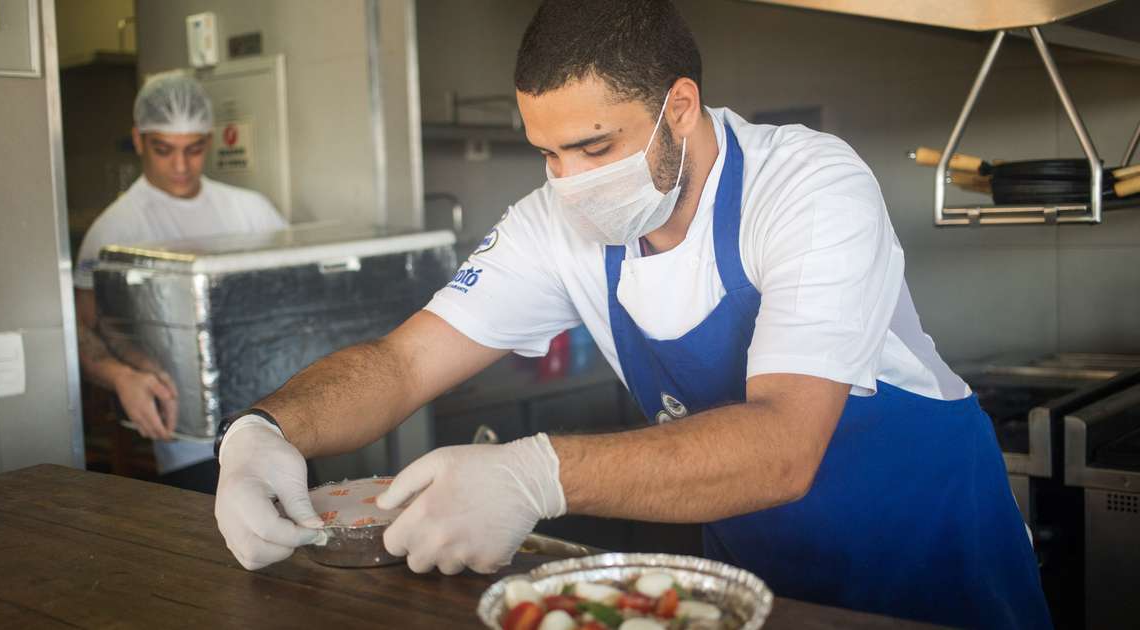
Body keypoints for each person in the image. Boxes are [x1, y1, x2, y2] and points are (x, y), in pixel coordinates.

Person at [211, 2, 1051, 627]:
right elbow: (402, 364)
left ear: (678, 107)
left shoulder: (808, 186)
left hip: (927, 568)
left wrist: (533, 475)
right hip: (752, 578)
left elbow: (789, 444)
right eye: (546, 151)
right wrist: (263, 432)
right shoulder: (553, 222)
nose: (568, 179)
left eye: (596, 147)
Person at [75, 73, 287, 494]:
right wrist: (120, 376)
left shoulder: (250, 211)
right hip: (188, 440)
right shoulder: (115, 229)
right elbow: (83, 329)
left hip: (275, 422)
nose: (180, 165)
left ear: (208, 140)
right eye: (163, 150)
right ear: (139, 140)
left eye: (193, 149)